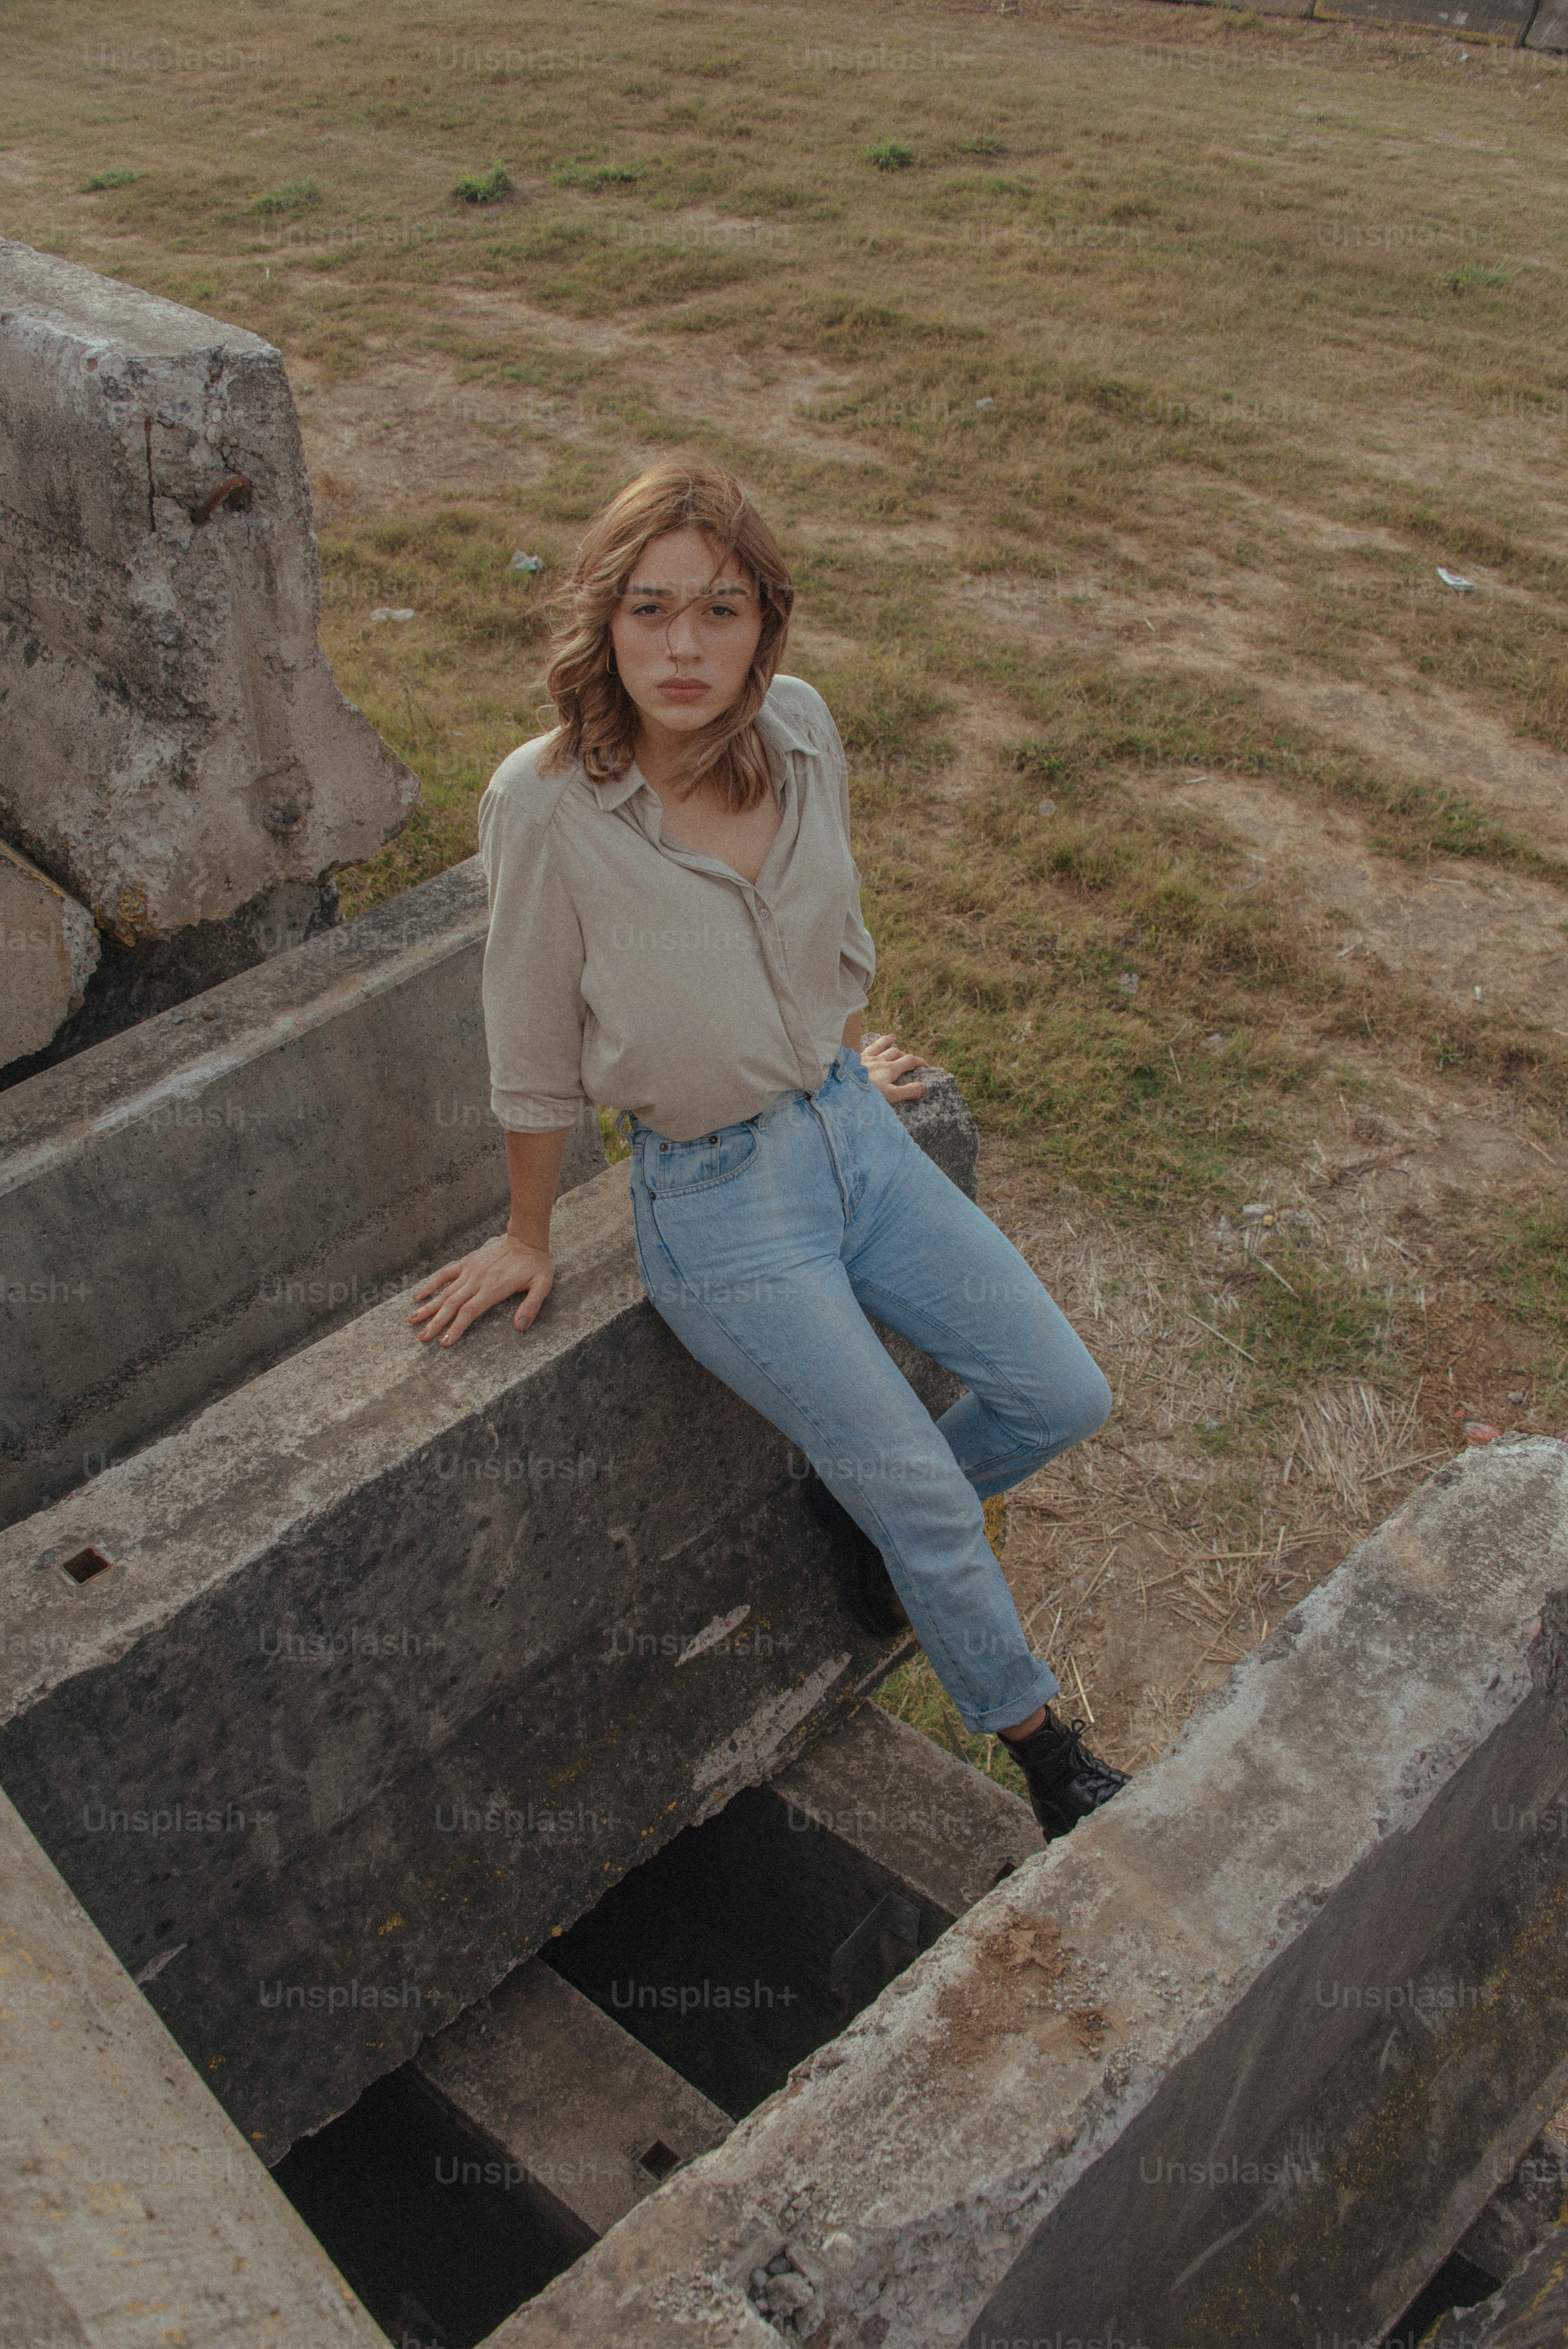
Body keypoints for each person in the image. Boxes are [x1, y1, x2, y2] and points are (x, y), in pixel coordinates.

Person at [408, 462, 1125, 1843]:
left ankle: (860, 1511)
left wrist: (827, 1048)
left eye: (720, 611)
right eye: (651, 609)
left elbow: (814, 921)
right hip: (719, 1206)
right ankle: (1049, 1758)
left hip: (849, 1133)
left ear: (766, 626)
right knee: (931, 1504)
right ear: (605, 622)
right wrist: (528, 1232)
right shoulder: (546, 802)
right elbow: (529, 1040)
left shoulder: (798, 729)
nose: (684, 649)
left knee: (1062, 1393)